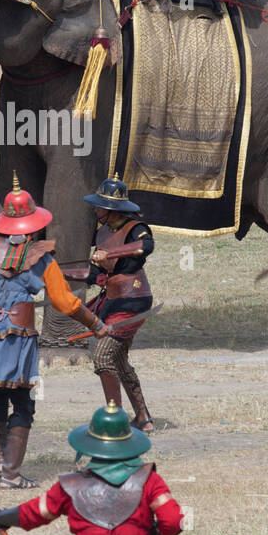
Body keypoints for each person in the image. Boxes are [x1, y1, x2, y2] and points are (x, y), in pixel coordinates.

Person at [0, 175, 112, 488]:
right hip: (18, 338)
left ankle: (1, 463)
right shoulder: (40, 258)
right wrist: (96, 324)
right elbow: (64, 302)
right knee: (24, 403)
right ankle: (10, 474)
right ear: (31, 223)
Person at [0, 401, 183, 535]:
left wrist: (0, 517)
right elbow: (173, 520)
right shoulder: (149, 480)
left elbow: (36, 512)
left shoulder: (72, 484)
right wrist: (155, 534)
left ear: (91, 442)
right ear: (129, 441)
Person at [82, 176, 155, 432]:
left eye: (99, 206)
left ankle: (117, 422)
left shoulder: (136, 228)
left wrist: (110, 254)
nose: (95, 210)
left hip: (133, 300)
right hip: (114, 299)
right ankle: (143, 419)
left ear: (111, 209)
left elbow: (146, 246)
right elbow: (96, 273)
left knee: (102, 356)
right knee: (119, 361)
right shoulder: (103, 231)